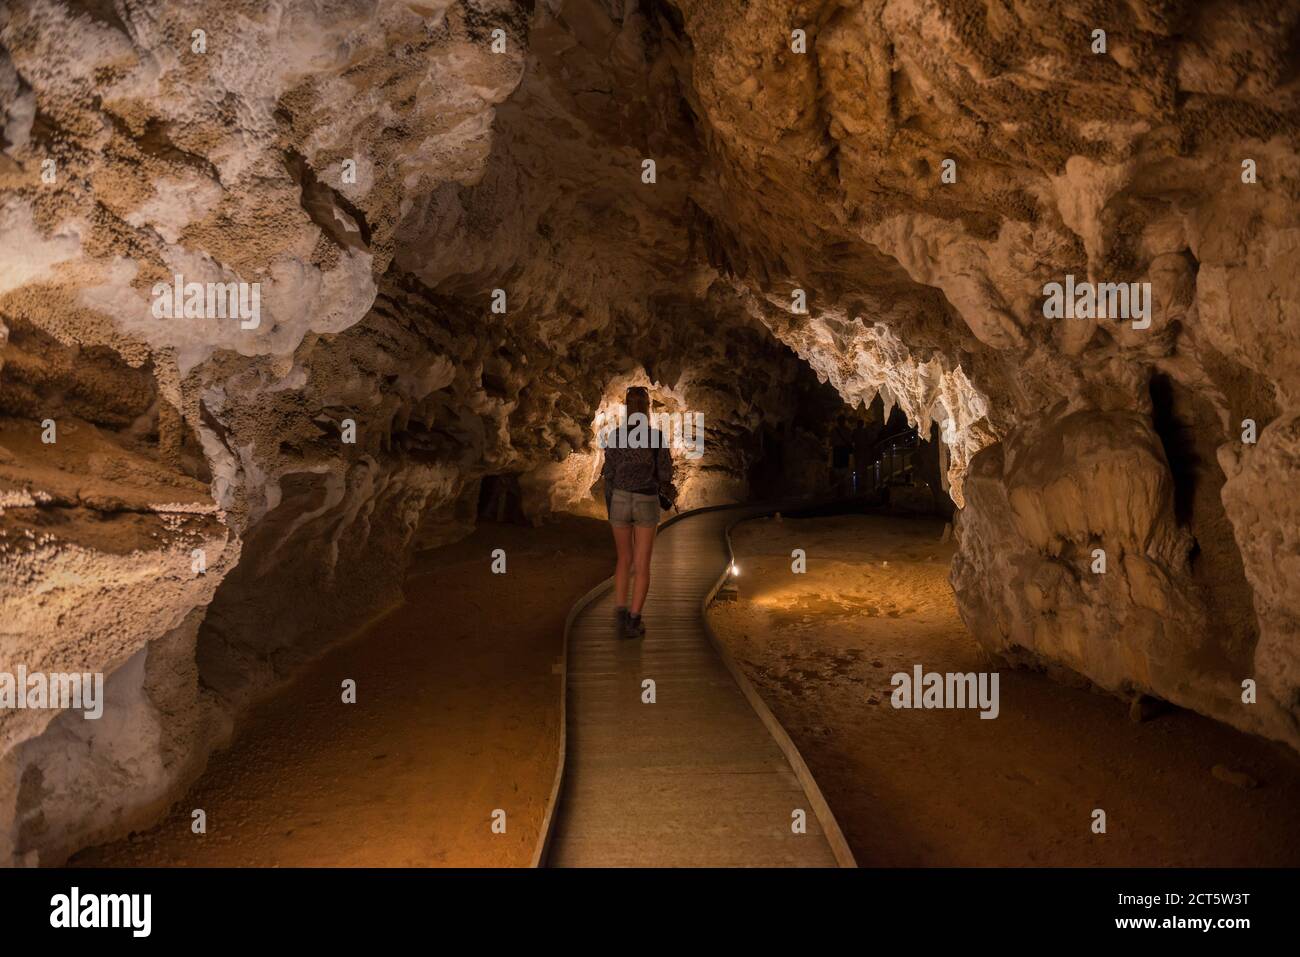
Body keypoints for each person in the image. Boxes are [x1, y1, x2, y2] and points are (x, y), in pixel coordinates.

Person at [600, 387, 677, 640]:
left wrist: (612, 505)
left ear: (626, 407)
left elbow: (608, 473)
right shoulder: (655, 438)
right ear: (647, 409)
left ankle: (620, 612)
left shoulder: (616, 436)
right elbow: (665, 475)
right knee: (642, 564)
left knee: (624, 559)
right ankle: (634, 621)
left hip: (620, 499)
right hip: (645, 500)